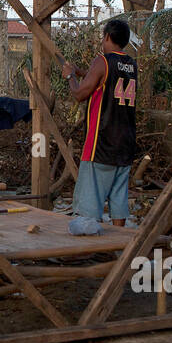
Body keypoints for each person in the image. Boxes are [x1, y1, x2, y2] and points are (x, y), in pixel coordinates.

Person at [61, 18, 139, 235]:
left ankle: (90, 246)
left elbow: (79, 94)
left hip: (101, 143)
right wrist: (79, 72)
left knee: (89, 201)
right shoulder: (131, 64)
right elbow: (103, 79)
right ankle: (119, 244)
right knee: (118, 197)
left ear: (106, 37)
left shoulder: (102, 61)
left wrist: (69, 77)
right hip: (125, 143)